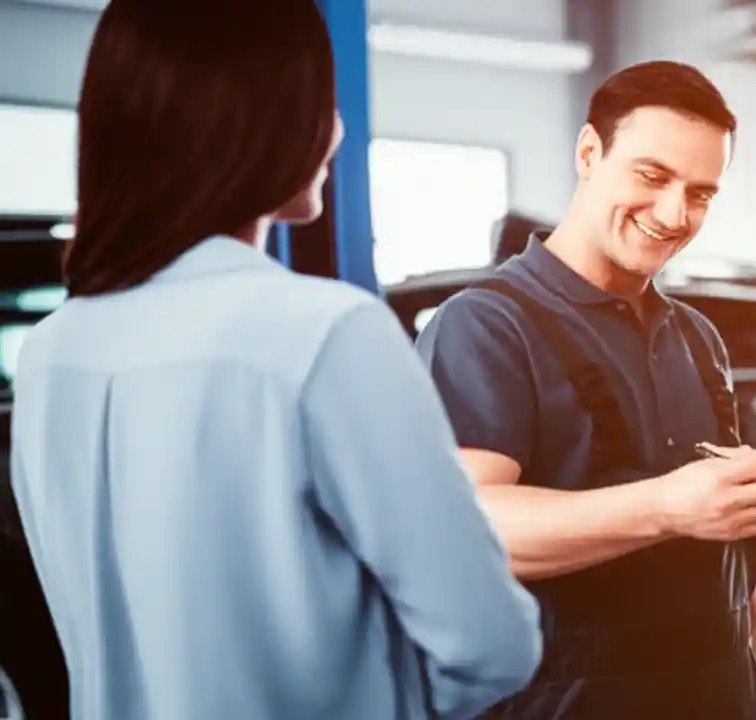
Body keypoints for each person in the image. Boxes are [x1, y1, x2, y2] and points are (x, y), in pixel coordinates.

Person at [9, 1, 540, 718]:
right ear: (271, 121)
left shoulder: (50, 354)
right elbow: (492, 645)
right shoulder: (327, 335)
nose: (337, 130)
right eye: (324, 101)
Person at [416, 60, 756, 719]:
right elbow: (465, 530)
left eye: (702, 193)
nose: (675, 213)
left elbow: (728, 567)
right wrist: (669, 506)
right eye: (653, 176)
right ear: (589, 152)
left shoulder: (697, 338)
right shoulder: (486, 324)